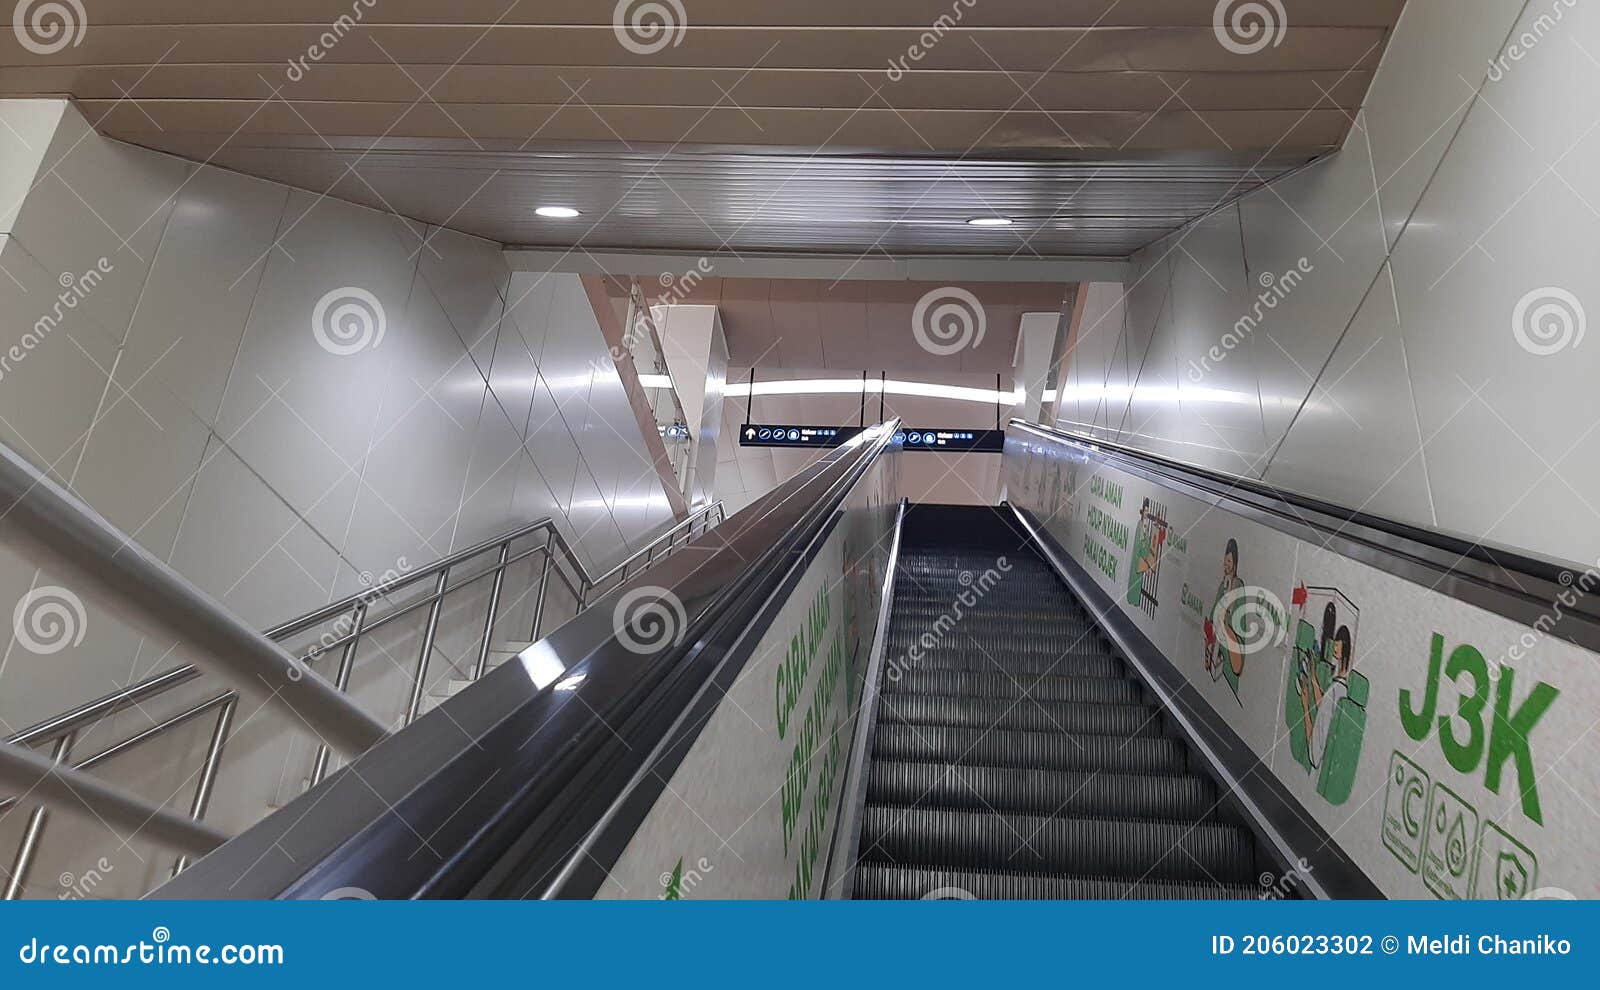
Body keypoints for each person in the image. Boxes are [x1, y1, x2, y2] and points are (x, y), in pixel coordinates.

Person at [1299, 625, 1354, 769]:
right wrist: (1312, 676)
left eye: (1338, 644)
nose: (1334, 647)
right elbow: (1322, 704)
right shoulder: (1340, 686)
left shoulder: (1339, 689)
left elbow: (1321, 705)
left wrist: (1305, 704)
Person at [1206, 539, 1243, 679]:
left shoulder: (1238, 586)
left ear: (1235, 563)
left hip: (1229, 652)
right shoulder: (1223, 586)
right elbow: (1213, 616)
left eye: (1229, 561)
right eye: (1225, 561)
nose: (1226, 565)